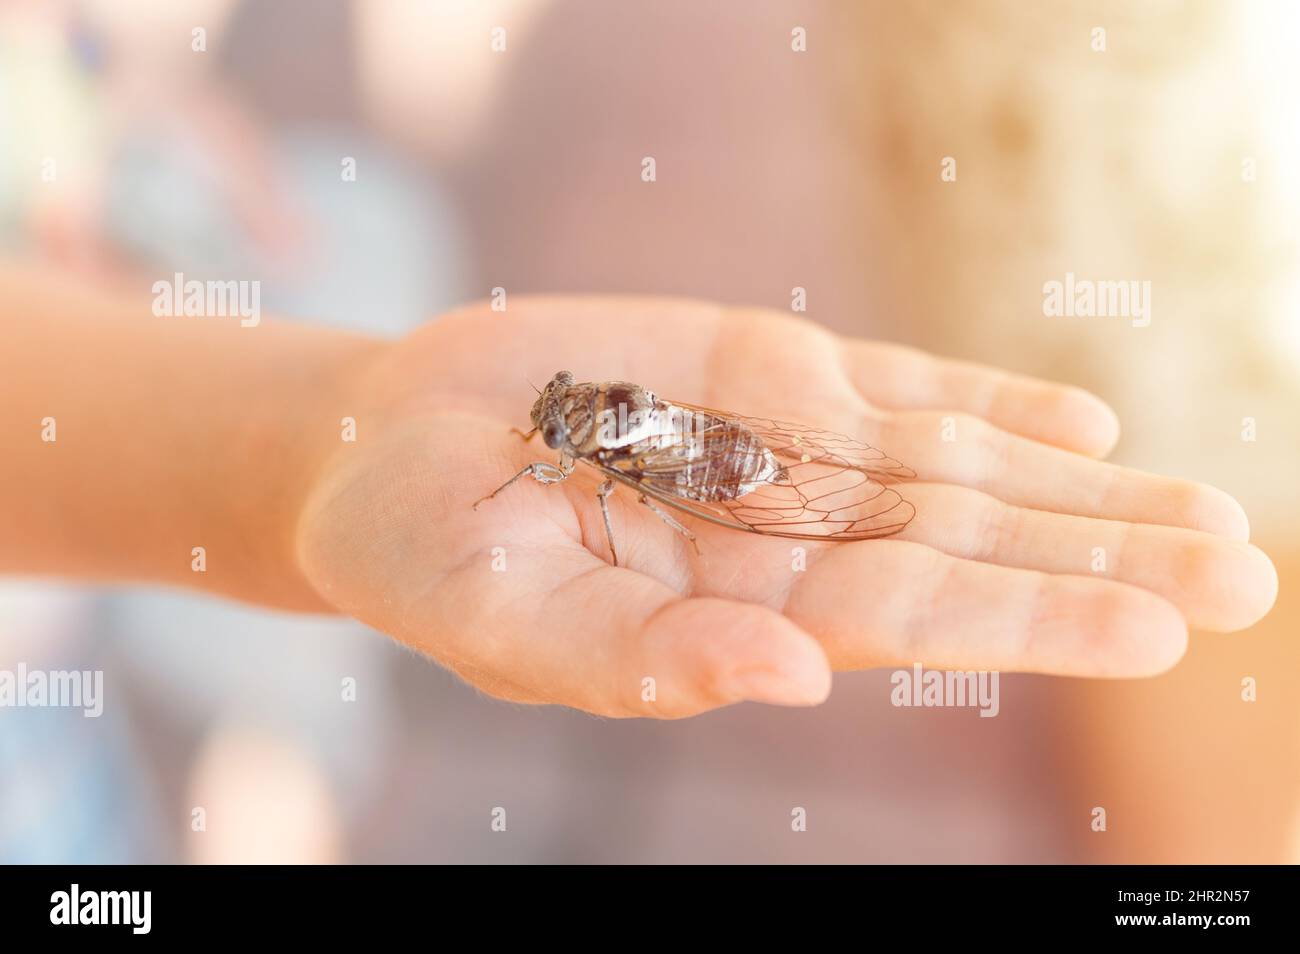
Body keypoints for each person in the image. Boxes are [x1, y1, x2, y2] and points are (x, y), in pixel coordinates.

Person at [0, 262, 1278, 718]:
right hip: (679, 445)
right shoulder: (568, 442)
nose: (544, 431)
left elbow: (615, 488)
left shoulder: (590, 450)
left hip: (694, 454)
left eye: (555, 422)